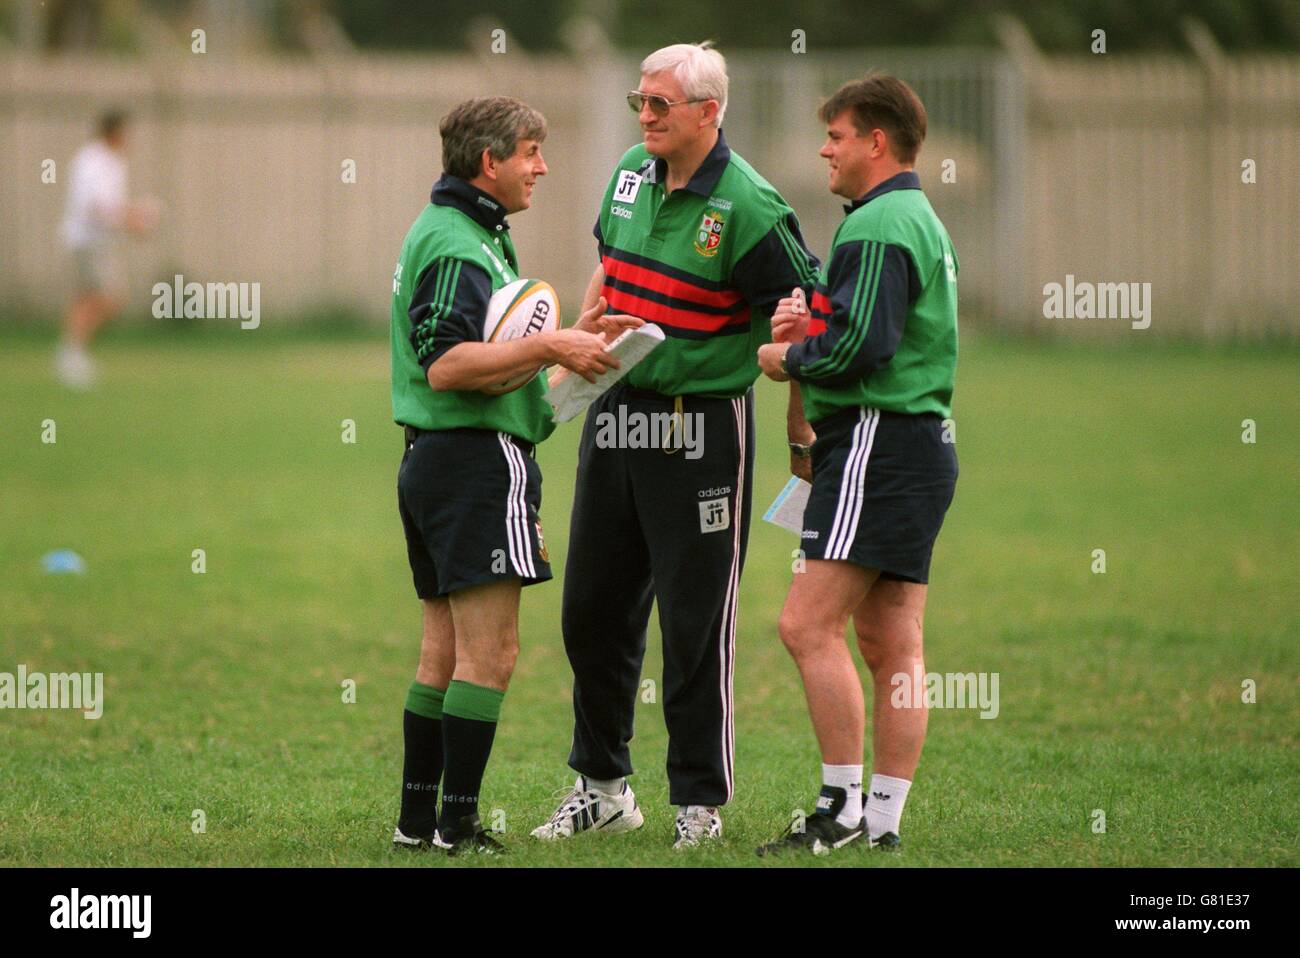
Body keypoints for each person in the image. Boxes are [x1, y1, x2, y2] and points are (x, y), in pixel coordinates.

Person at [530, 42, 819, 849]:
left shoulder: (752, 206)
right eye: (640, 102)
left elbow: (799, 312)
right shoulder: (630, 170)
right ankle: (601, 787)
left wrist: (799, 425)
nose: (645, 116)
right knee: (591, 610)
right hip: (617, 414)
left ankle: (699, 803)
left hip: (699, 428)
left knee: (695, 624)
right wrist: (583, 341)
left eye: (660, 104)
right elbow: (608, 265)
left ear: (708, 112)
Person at [389, 96, 639, 855]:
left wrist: (571, 350)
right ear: (488, 162)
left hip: (434, 461)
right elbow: (449, 364)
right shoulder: (461, 245)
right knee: (490, 655)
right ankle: (457, 827)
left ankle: (416, 825)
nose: (543, 166)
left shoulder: (461, 232)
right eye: (531, 152)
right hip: (472, 463)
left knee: (443, 651)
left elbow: (496, 369)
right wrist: (552, 346)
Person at [754, 74, 959, 855]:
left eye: (836, 136)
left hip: (878, 442)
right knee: (892, 641)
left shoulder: (874, 226)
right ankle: (882, 821)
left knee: (805, 623)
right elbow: (876, 329)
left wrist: (785, 355)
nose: (824, 149)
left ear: (877, 142)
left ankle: (839, 809)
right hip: (920, 444)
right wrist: (816, 320)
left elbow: (859, 350)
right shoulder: (918, 218)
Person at [57, 110, 158, 389]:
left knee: (90, 297)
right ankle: (71, 353)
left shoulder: (107, 161)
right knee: (108, 297)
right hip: (89, 240)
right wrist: (134, 222)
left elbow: (108, 205)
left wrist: (134, 214)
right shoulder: (95, 161)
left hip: (96, 240)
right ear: (115, 132)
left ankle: (73, 354)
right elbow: (96, 207)